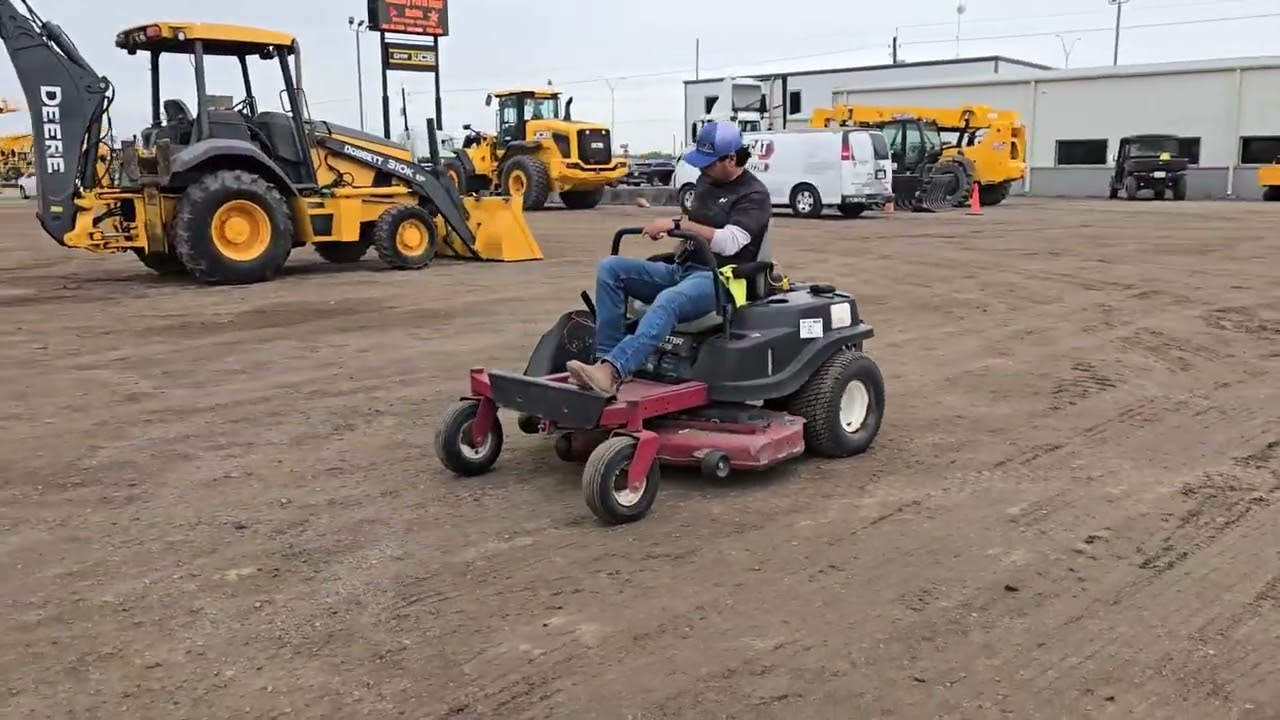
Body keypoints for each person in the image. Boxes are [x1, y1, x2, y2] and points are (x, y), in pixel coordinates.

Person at [566, 120, 771, 396]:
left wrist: (678, 226)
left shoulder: (754, 195)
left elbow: (730, 242)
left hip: (720, 278)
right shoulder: (706, 181)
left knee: (668, 301)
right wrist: (672, 225)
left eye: (708, 162)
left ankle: (614, 369)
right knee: (610, 268)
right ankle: (604, 363)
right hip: (684, 267)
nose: (702, 168)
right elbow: (694, 221)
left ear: (731, 158)